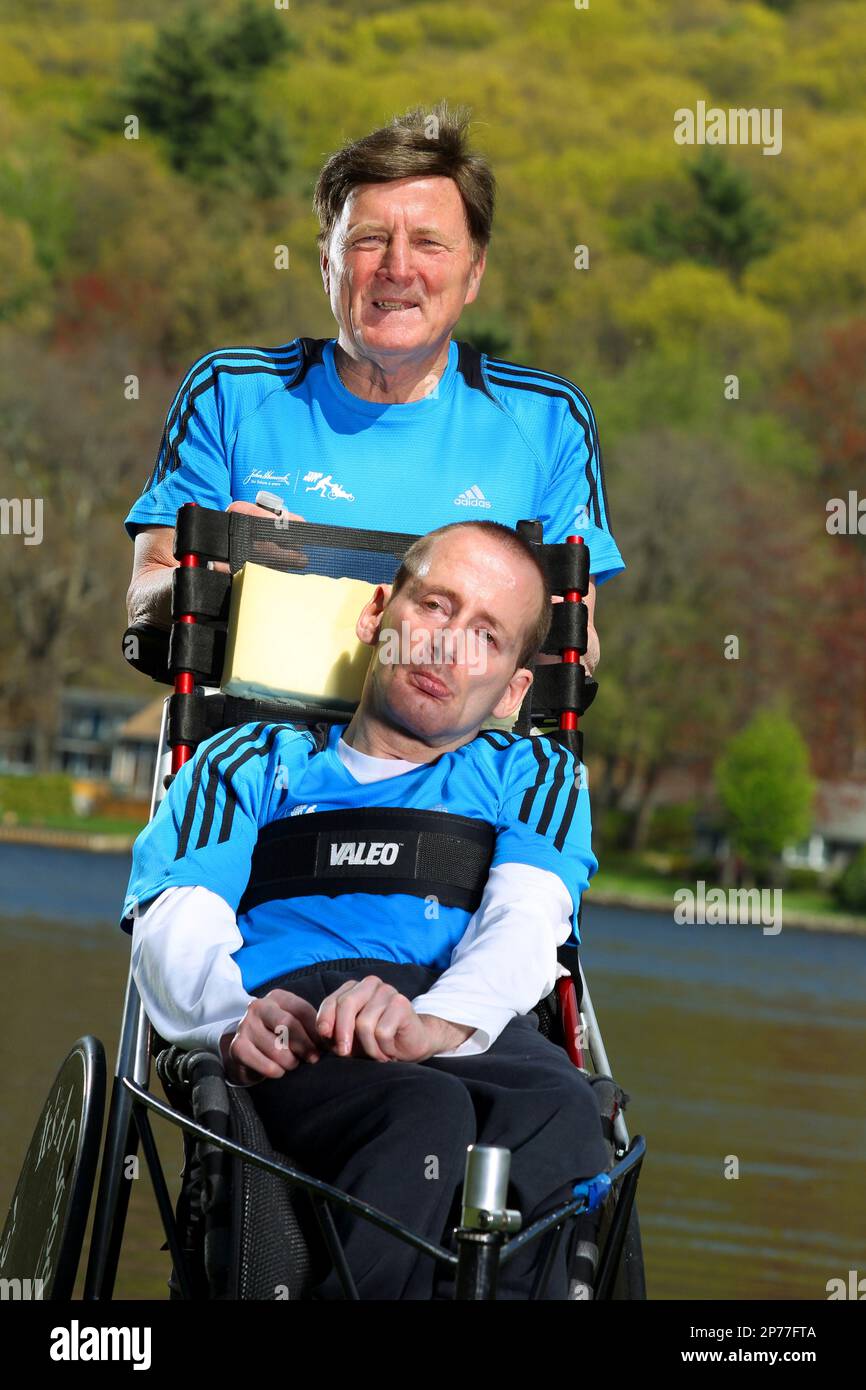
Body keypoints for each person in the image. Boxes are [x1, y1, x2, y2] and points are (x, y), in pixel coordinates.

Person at [121, 521, 610, 1300]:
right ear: (378, 613)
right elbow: (173, 917)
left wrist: (433, 1024)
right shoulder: (249, 761)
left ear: (516, 690)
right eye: (436, 608)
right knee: (424, 1112)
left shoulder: (532, 774)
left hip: (461, 1016)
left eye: (486, 635)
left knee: (563, 1112)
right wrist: (232, 1015)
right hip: (292, 1022)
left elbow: (527, 923)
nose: (448, 647)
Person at [124, 99, 624, 680]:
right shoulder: (227, 392)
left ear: (476, 271)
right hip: (260, 748)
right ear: (326, 262)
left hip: (464, 760)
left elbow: (576, 652)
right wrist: (216, 570)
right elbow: (142, 606)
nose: (398, 267)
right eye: (368, 239)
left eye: (430, 243)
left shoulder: (550, 419)